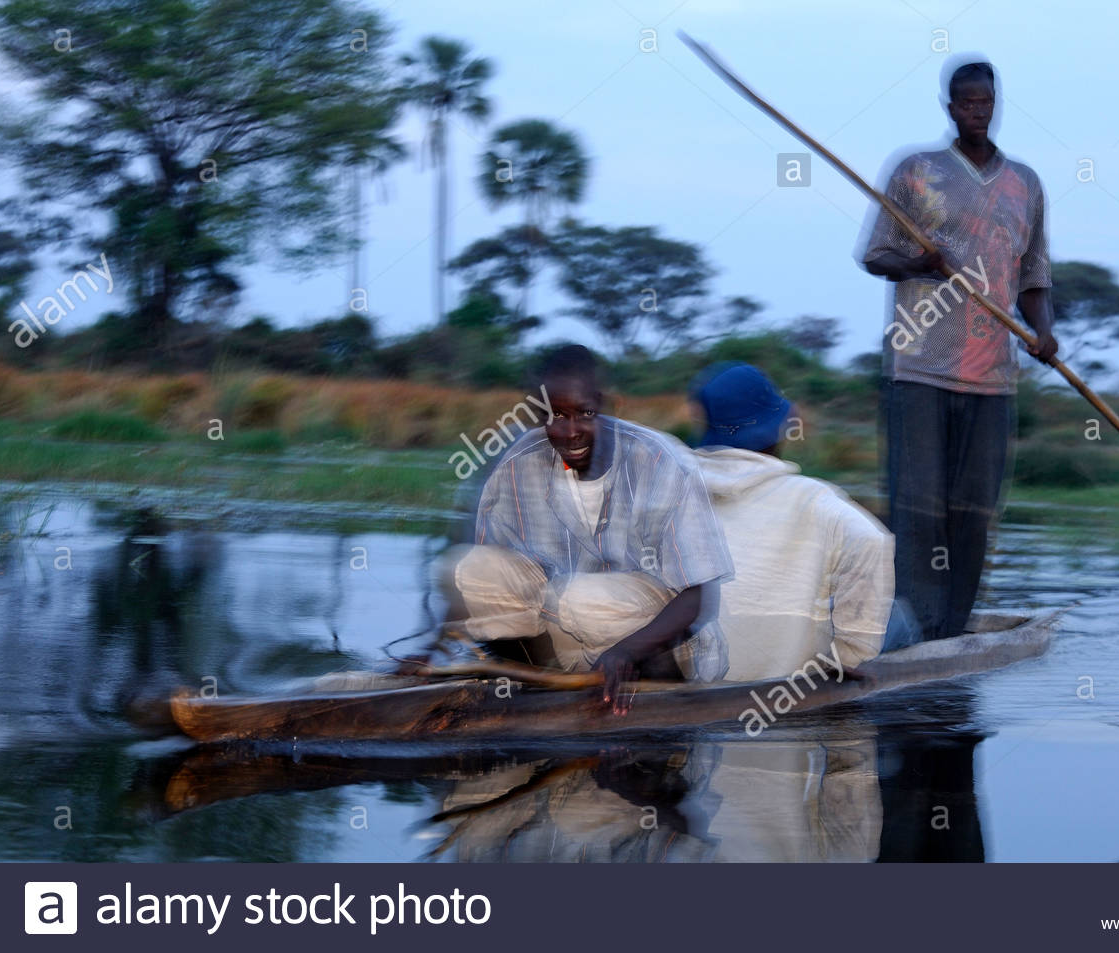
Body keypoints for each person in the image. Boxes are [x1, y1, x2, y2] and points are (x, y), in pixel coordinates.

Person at [860, 60, 1058, 643]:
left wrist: (1044, 331)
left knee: (973, 511)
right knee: (919, 508)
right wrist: (921, 263)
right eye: (966, 102)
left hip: (993, 377)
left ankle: (952, 629)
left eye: (986, 102)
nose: (977, 111)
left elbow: (1035, 273)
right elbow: (877, 255)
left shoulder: (1025, 183)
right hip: (919, 366)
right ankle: (911, 630)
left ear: (996, 104)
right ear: (950, 107)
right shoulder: (916, 172)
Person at [443, 344, 733, 712]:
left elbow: (697, 597)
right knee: (470, 569)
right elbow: (481, 581)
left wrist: (627, 651)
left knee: (579, 597)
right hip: (565, 639)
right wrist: (432, 649)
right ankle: (535, 684)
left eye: (585, 413)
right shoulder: (517, 464)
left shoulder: (661, 461)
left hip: (662, 646)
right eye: (555, 415)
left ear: (605, 404)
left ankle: (645, 691)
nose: (570, 431)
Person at [690, 362, 894, 681]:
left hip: (701, 674)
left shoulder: (679, 492)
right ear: (777, 430)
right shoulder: (813, 498)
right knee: (902, 620)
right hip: (792, 681)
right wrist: (846, 655)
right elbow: (873, 541)